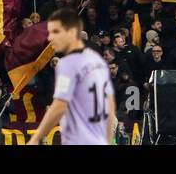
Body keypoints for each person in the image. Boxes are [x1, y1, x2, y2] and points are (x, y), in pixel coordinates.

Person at [26, 8, 115, 146]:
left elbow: (59, 105)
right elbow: (109, 105)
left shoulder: (68, 64)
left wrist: (35, 138)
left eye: (56, 32)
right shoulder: (98, 62)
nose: (50, 38)